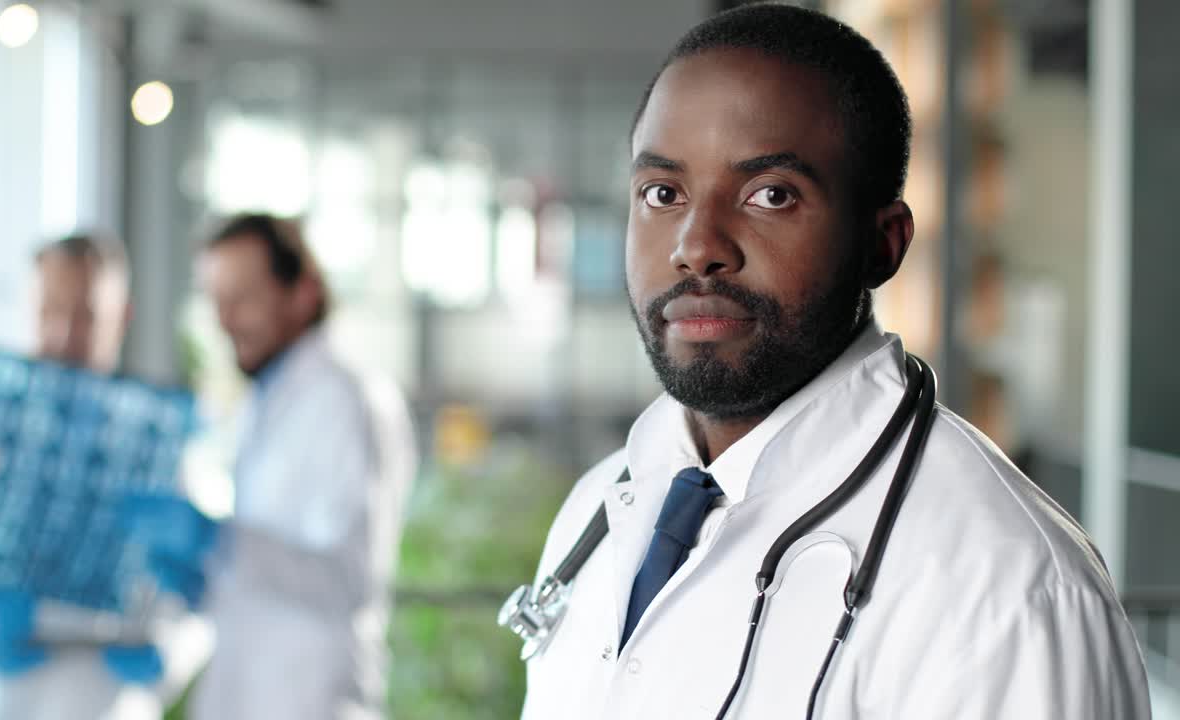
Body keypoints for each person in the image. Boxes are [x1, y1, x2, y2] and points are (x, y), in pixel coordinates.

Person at [513, 5, 1150, 719]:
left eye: (770, 195)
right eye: (663, 194)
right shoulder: (599, 509)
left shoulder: (1007, 592)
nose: (696, 245)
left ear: (884, 245)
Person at [126, 213, 415, 719]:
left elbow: (350, 582)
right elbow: (262, 574)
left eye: (242, 298)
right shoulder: (267, 396)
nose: (224, 320)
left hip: (313, 701)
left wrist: (220, 542)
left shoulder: (346, 401)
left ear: (302, 294)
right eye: (215, 301)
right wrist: (203, 580)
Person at [0, 234, 197, 720]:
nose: (63, 335)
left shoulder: (159, 444)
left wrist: (171, 652)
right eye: (48, 311)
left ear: (122, 316)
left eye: (84, 316)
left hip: (105, 704)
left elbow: (199, 606)